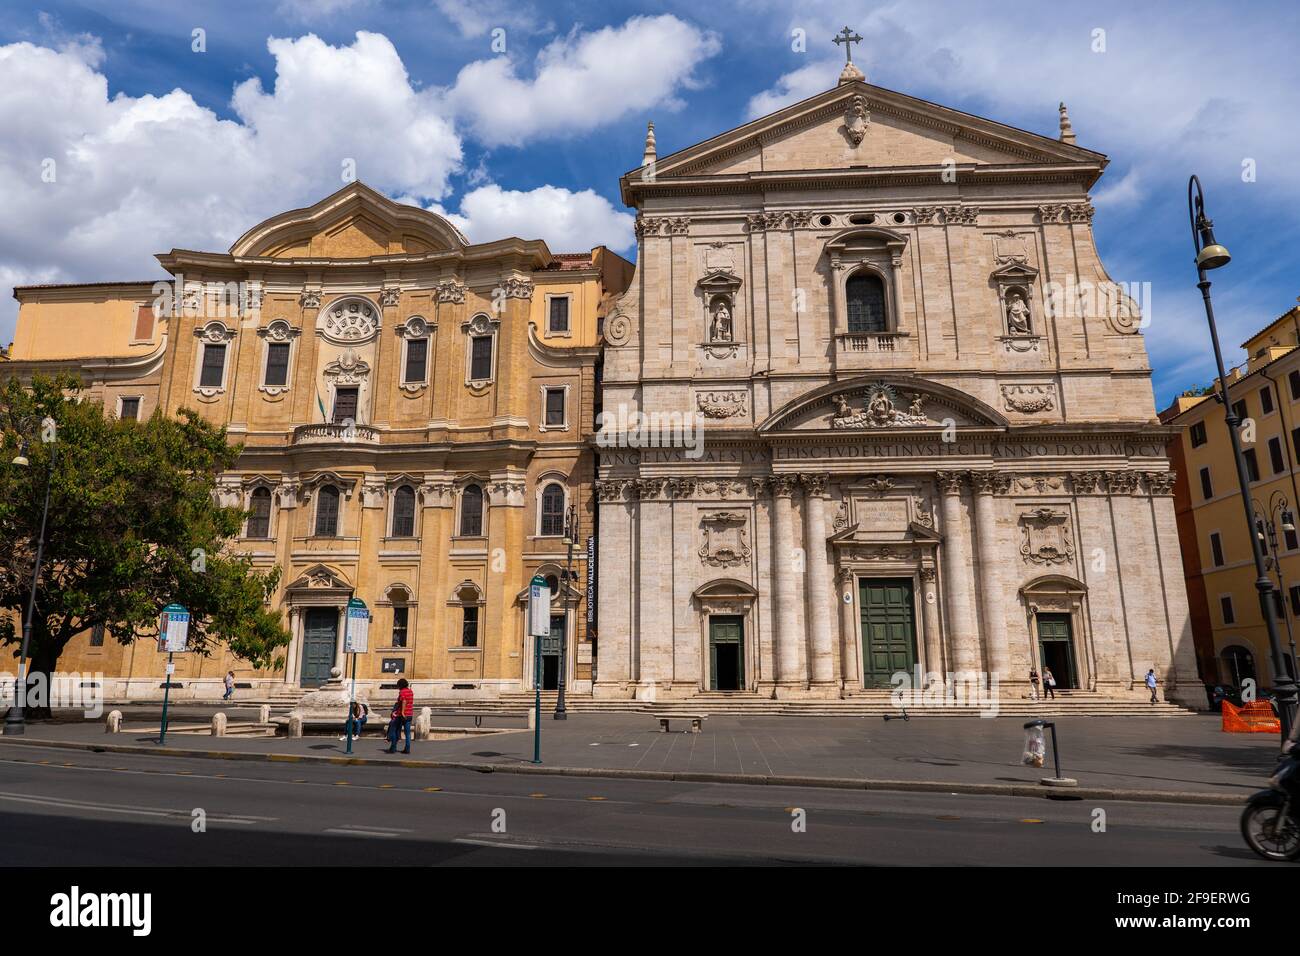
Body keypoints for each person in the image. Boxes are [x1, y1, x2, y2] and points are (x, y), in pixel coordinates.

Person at [386, 678, 414, 754]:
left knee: (394, 730)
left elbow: (404, 701)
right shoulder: (410, 691)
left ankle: (393, 747)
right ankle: (407, 749)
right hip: (409, 714)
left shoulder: (402, 692)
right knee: (407, 733)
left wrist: (402, 712)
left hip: (401, 715)